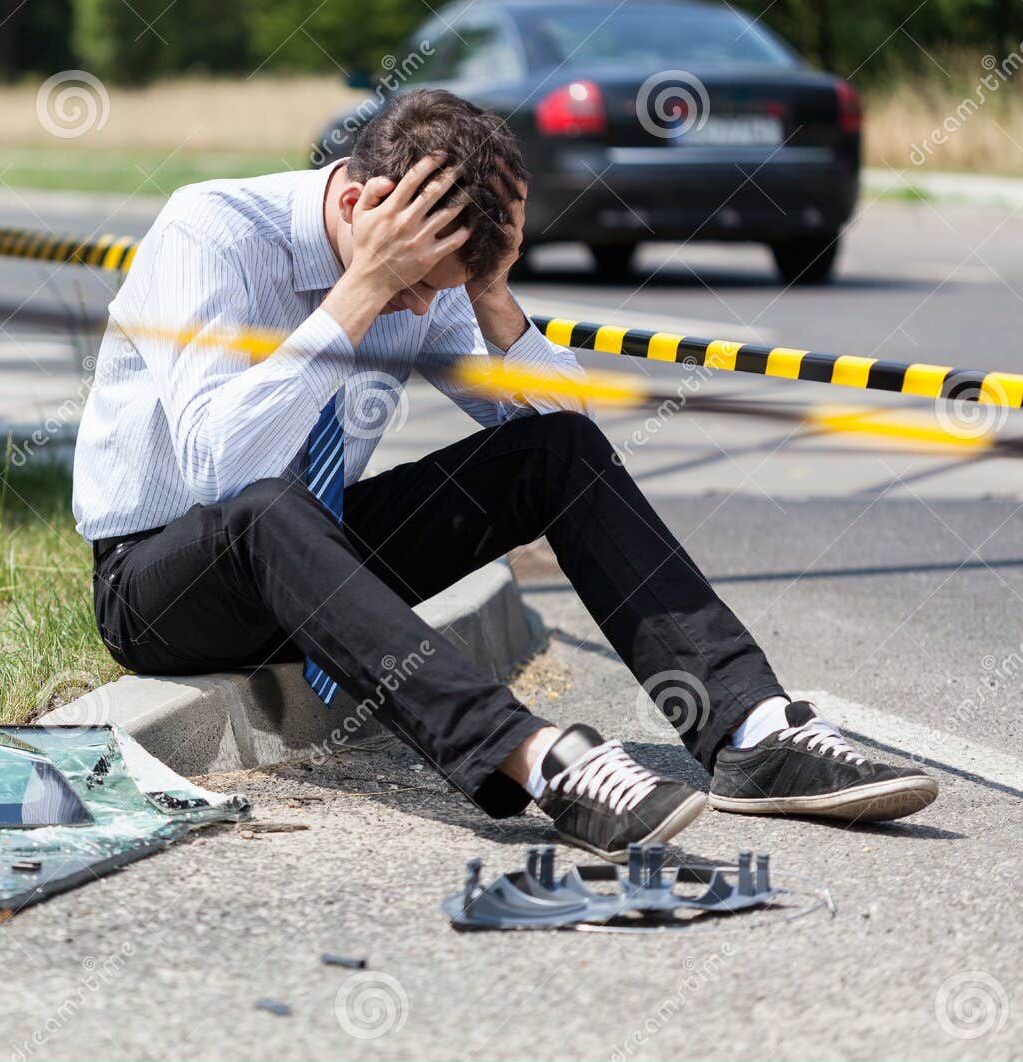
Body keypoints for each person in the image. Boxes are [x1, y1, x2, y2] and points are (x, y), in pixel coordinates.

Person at [71, 88, 936, 860]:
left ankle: (749, 729)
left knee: (555, 450)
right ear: (364, 202)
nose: (417, 307)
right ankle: (535, 759)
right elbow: (220, 469)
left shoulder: (434, 269)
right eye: (414, 284)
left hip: (317, 553)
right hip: (166, 580)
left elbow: (567, 432)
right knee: (267, 506)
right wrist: (361, 292)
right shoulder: (211, 233)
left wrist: (489, 295)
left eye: (435, 287)